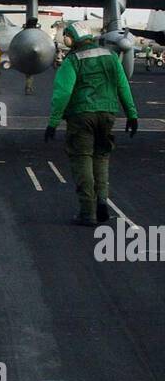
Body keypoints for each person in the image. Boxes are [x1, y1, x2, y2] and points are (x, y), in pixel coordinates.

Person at [44, 19, 138, 226]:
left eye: (67, 36)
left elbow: (63, 93)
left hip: (81, 116)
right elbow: (123, 86)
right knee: (101, 157)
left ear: (72, 38)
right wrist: (132, 114)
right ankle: (102, 200)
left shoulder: (73, 60)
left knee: (82, 159)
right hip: (107, 114)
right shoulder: (111, 56)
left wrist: (53, 122)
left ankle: (88, 211)